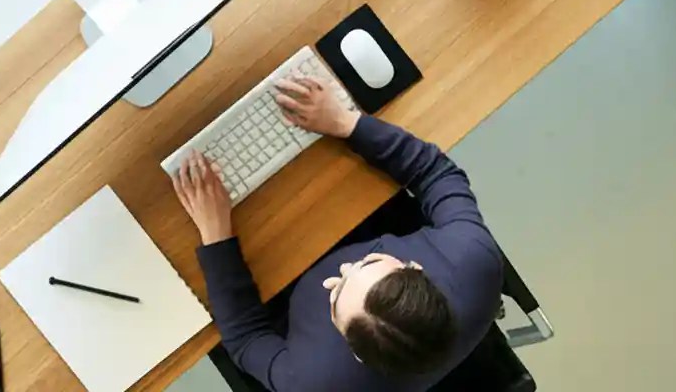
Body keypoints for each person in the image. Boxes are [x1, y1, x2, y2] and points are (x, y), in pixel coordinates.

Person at [171, 74, 503, 391]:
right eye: (369, 263)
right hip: (361, 212)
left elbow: (245, 339)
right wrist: (347, 123)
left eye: (337, 292)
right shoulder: (474, 262)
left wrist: (216, 234)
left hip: (280, 281)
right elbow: (434, 173)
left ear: (355, 352)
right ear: (415, 269)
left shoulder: (317, 385)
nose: (343, 269)